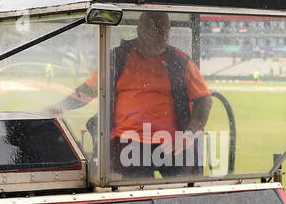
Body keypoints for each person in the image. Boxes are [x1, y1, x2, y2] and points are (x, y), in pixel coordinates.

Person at [51, 10, 212, 177]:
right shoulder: (117, 57)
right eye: (157, 30)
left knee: (184, 191)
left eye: (166, 31)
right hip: (127, 141)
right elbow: (89, 90)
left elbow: (205, 100)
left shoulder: (179, 60)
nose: (163, 37)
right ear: (140, 30)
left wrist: (190, 134)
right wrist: (60, 106)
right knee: (134, 192)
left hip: (173, 141)